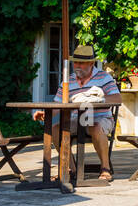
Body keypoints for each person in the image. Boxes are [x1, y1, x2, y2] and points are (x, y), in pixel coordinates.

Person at [32, 45, 119, 182]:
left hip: (100, 117)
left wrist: (98, 98)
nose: (77, 66)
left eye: (81, 63)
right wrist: (46, 113)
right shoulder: (68, 81)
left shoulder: (104, 77)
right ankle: (70, 169)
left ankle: (105, 168)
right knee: (55, 129)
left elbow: (117, 99)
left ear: (91, 63)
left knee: (96, 126)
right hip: (76, 119)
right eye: (75, 62)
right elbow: (58, 104)